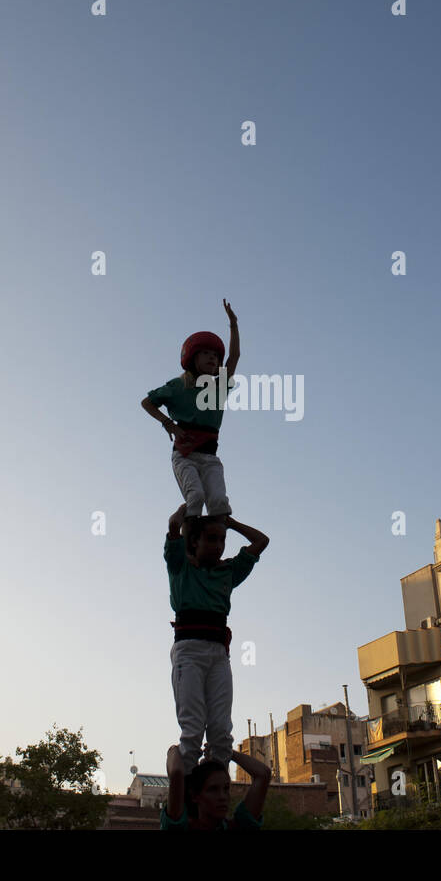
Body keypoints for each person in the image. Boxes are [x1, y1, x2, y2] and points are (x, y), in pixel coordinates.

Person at [164, 502, 268, 774]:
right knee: (192, 730)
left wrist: (229, 524)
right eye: (212, 539)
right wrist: (185, 511)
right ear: (195, 541)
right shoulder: (180, 568)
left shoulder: (228, 572)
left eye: (222, 540)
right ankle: (186, 799)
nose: (220, 545)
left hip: (219, 655)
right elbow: (174, 528)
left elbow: (261, 541)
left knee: (221, 732)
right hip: (189, 651)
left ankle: (216, 794)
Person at [141, 300, 240, 521]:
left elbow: (234, 358)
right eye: (206, 353)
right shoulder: (178, 386)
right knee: (195, 497)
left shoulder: (218, 387)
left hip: (209, 455)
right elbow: (147, 402)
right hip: (185, 455)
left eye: (215, 355)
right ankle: (188, 544)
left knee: (219, 502)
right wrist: (169, 424)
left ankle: (213, 546)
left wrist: (234, 325)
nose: (212, 357)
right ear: (192, 357)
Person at [161, 744, 270, 830]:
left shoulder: (237, 826)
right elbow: (176, 774)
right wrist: (178, 747)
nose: (222, 797)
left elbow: (263, 774)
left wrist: (225, 750)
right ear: (195, 795)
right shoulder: (179, 827)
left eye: (226, 788)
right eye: (213, 789)